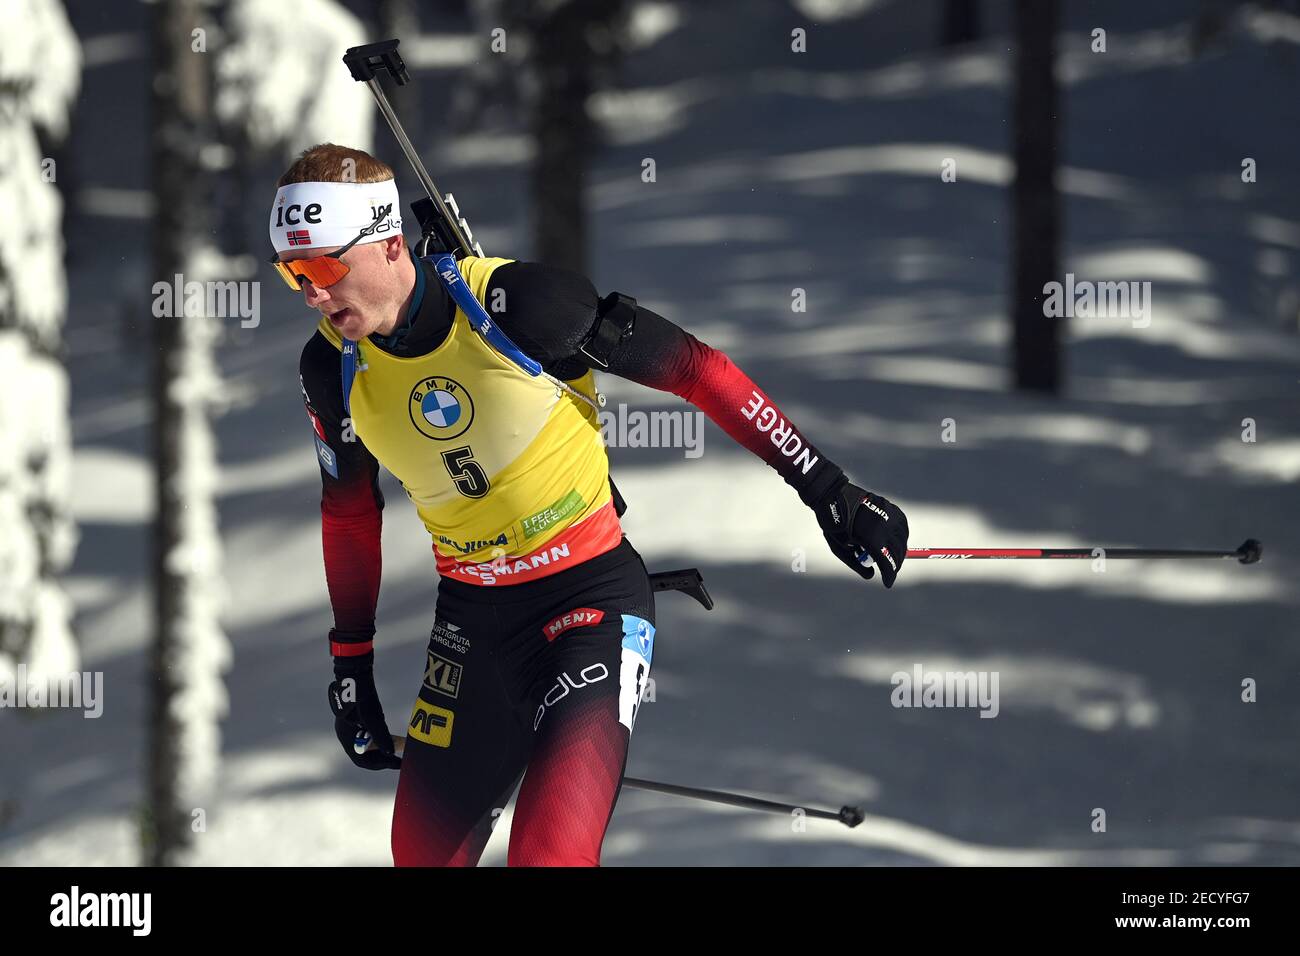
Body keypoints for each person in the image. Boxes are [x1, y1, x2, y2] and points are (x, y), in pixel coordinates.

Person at [273, 143, 910, 866]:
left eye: (325, 267)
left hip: (589, 603)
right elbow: (350, 513)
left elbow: (696, 372)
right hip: (472, 622)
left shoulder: (517, 306)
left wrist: (827, 489)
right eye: (292, 272)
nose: (312, 294)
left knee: (548, 858)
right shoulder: (332, 366)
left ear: (390, 244)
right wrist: (351, 667)